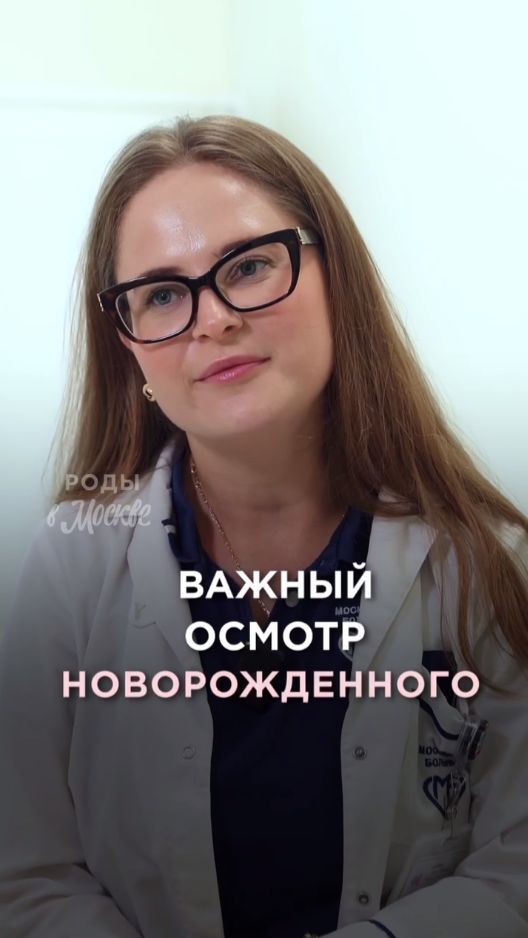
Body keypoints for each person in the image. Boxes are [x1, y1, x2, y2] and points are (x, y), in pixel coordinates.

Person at [1, 114, 527, 938]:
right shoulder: (72, 566)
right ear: (129, 344)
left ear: (336, 278)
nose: (212, 320)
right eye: (162, 294)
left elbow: (516, 864)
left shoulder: (485, 566)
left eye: (248, 266)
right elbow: (25, 870)